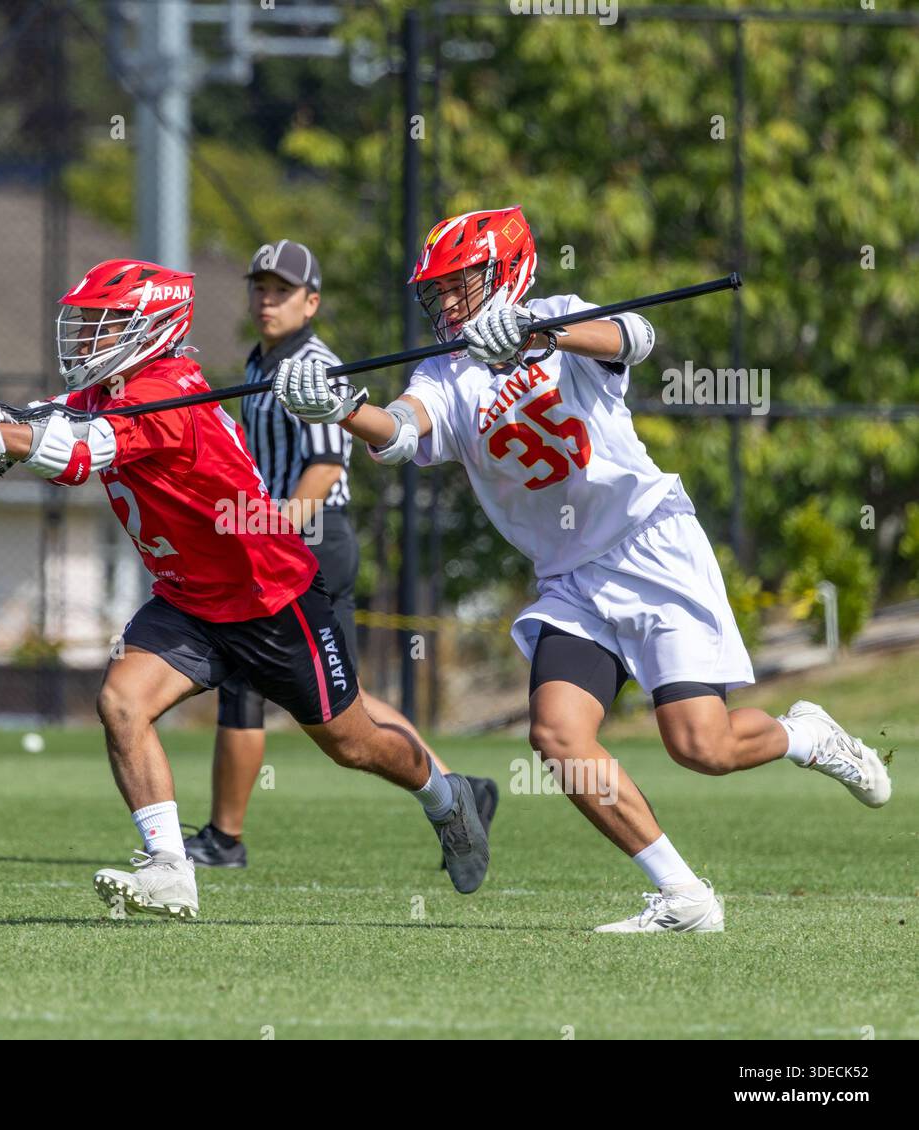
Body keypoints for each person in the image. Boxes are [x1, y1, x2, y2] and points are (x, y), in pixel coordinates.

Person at [271, 206, 892, 933]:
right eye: (434, 293)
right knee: (558, 735)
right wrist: (346, 407)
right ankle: (685, 896)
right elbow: (404, 433)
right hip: (571, 579)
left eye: (458, 286)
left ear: (506, 271)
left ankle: (807, 736)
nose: (444, 305)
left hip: (650, 545)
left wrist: (539, 334)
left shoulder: (560, 316)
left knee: (703, 746)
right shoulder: (443, 371)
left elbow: (638, 336)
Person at [0, 258, 492, 920]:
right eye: (86, 326)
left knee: (352, 743)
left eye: (104, 327)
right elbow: (40, 420)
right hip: (188, 599)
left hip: (268, 597)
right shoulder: (112, 389)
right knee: (121, 703)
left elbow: (73, 453)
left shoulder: (167, 392)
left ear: (154, 328)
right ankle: (170, 868)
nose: (86, 342)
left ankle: (446, 795)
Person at [183, 239, 498, 869]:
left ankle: (225, 838)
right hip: (290, 540)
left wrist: (274, 534)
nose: (266, 300)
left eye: (282, 291)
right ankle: (460, 789)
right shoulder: (260, 360)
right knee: (343, 699)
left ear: (312, 301)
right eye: (260, 288)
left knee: (247, 683)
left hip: (310, 540)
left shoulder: (314, 364)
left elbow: (325, 467)